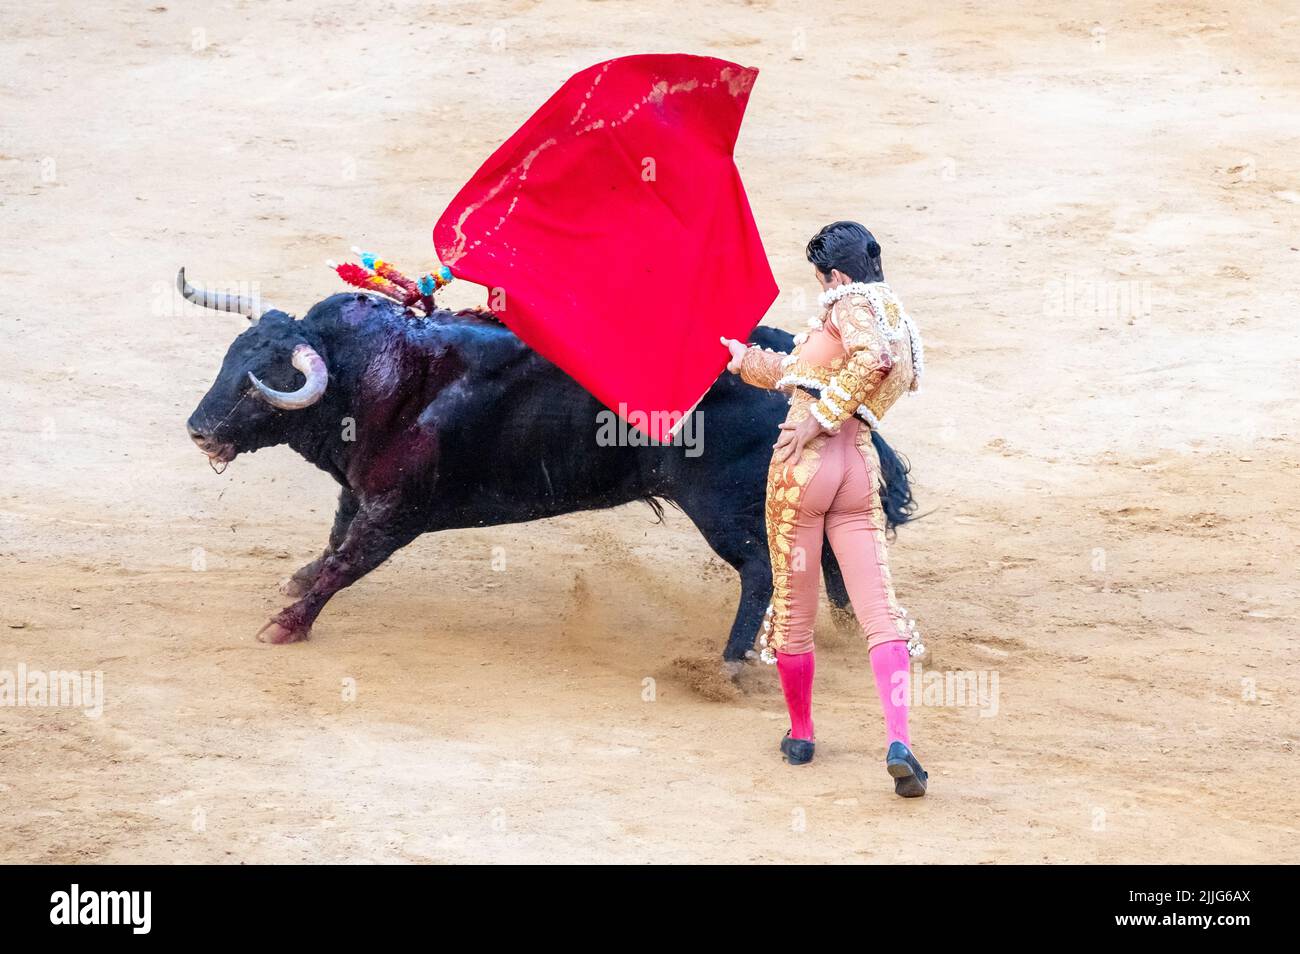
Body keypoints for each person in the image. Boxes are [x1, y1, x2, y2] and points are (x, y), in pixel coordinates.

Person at [720, 221, 929, 797]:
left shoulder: (848, 305)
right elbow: (804, 375)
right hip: (858, 468)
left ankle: (803, 732)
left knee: (794, 609)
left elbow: (869, 362)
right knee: (879, 612)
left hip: (805, 467)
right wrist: (743, 360)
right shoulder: (895, 314)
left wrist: (818, 418)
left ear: (835, 274)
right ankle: (898, 740)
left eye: (820, 279)